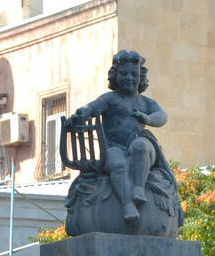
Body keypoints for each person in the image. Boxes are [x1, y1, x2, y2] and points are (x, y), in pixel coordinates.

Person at [67, 50, 168, 221]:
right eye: (124, 74)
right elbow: (90, 109)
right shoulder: (110, 99)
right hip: (114, 148)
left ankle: (138, 188)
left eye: (134, 74)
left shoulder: (145, 103)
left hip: (138, 147)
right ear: (115, 76)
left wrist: (148, 118)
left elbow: (162, 116)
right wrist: (80, 114)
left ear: (140, 77)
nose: (129, 78)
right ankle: (127, 204)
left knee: (141, 146)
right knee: (118, 164)